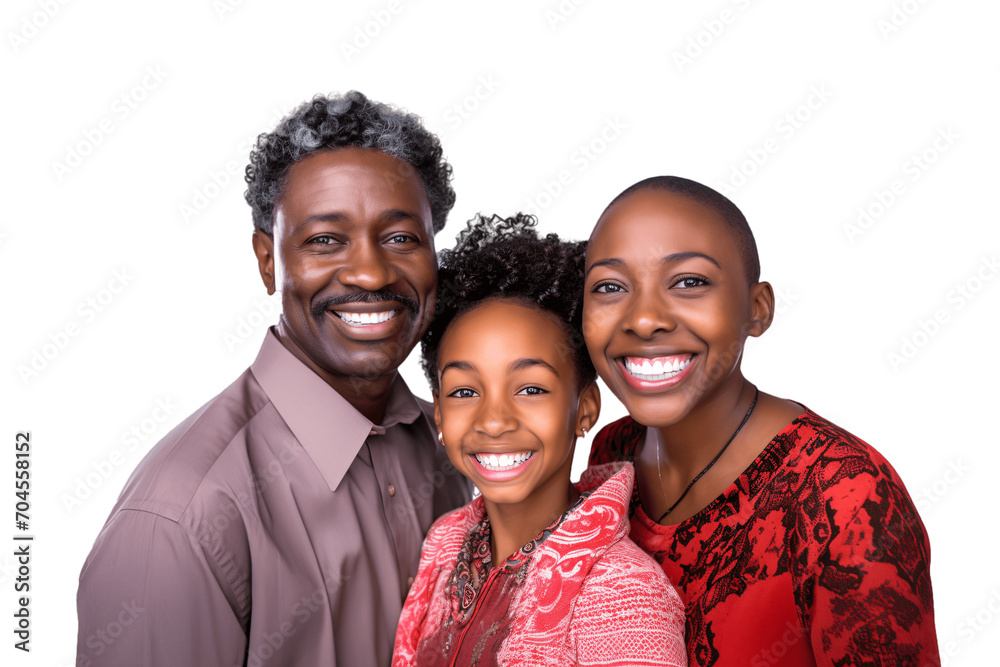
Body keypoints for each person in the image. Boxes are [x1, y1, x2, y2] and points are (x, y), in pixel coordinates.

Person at [76, 91, 471, 667]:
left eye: (401, 238)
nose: (370, 271)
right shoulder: (178, 521)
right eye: (325, 240)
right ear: (268, 262)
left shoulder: (457, 444)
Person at [583, 176, 939, 666]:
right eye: (610, 286)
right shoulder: (612, 454)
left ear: (757, 309)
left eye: (689, 282)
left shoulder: (848, 500)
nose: (644, 320)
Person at [393, 214, 687, 666]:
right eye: (464, 392)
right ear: (439, 412)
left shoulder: (625, 594)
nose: (493, 422)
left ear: (584, 408)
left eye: (530, 389)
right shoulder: (446, 546)